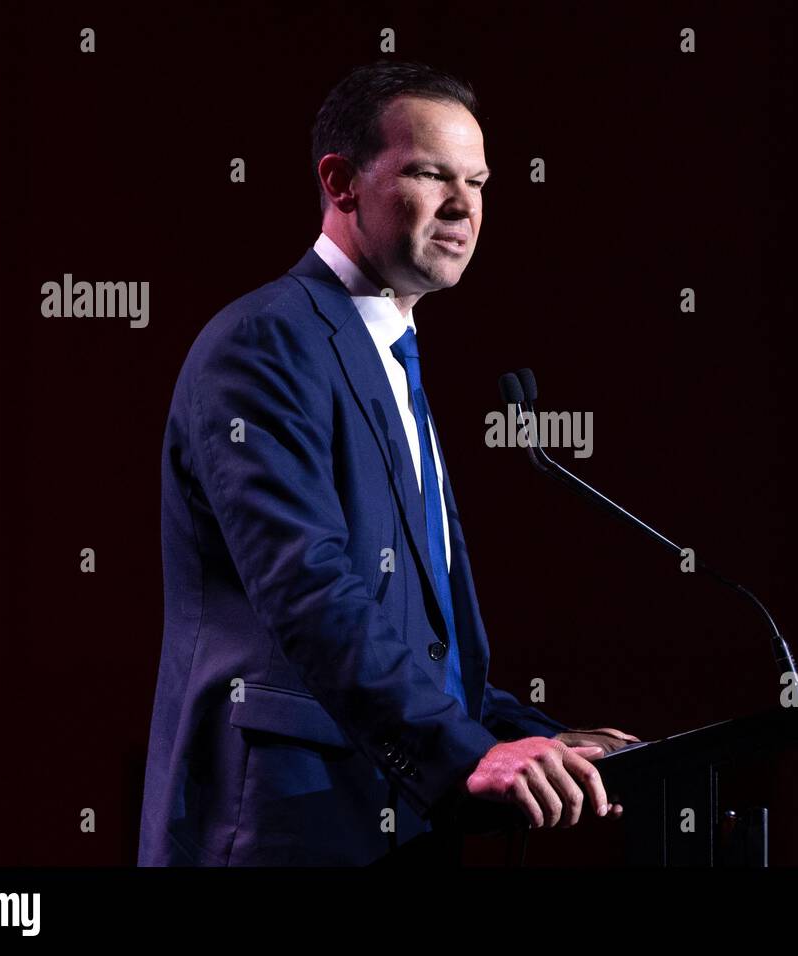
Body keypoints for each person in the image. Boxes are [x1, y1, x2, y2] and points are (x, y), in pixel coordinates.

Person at [137, 60, 638, 866]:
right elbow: (310, 589)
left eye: (477, 181)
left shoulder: (387, 357)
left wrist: (535, 739)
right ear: (341, 183)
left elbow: (413, 637)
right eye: (430, 174)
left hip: (394, 821)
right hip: (285, 823)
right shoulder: (265, 343)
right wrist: (464, 752)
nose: (463, 206)